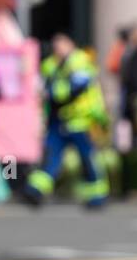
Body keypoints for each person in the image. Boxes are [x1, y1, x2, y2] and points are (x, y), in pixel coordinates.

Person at [21, 33, 108, 208]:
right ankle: (35, 191)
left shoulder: (80, 61)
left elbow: (76, 88)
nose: (58, 48)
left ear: (71, 44)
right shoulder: (50, 64)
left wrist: (53, 92)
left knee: (87, 159)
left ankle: (97, 196)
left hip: (80, 121)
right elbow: (41, 88)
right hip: (57, 122)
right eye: (56, 45)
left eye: (62, 44)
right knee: (51, 157)